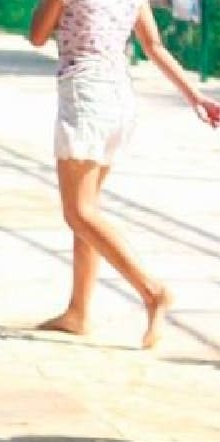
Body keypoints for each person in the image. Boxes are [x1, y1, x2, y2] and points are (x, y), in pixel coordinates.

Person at [29, 0, 220, 349]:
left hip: (86, 95)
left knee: (78, 211)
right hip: (119, 98)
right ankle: (78, 312)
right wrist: (196, 97)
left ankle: (152, 291)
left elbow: (37, 36)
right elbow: (153, 46)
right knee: (89, 211)